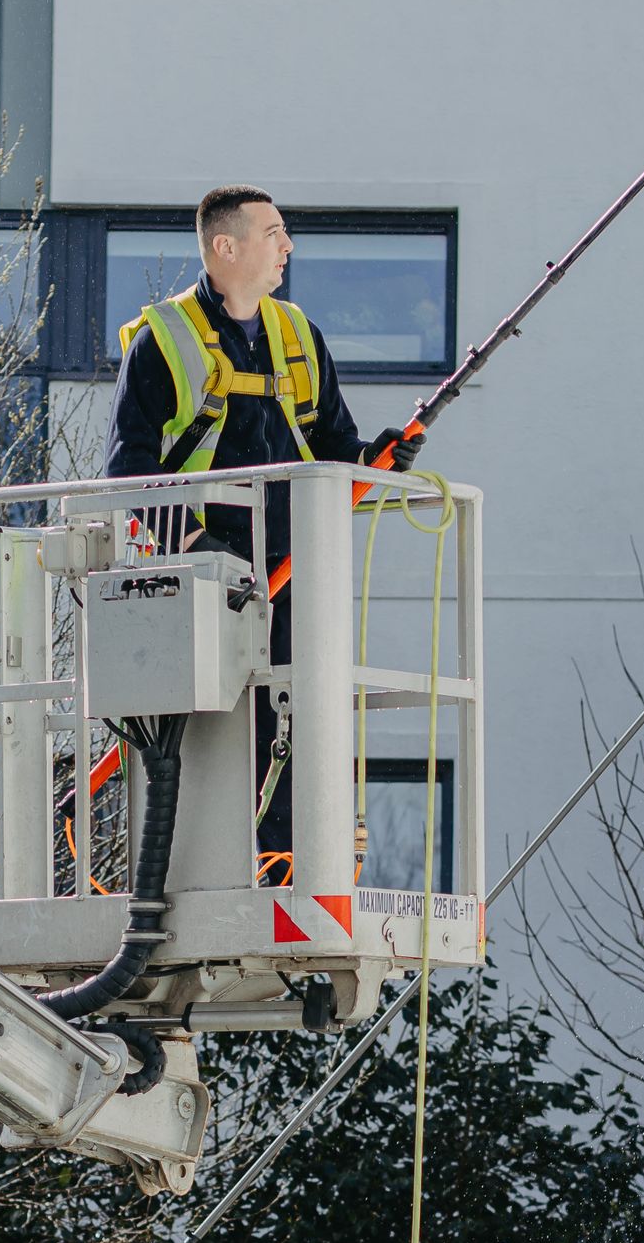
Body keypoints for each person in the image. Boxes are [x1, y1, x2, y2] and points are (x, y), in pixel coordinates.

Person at [105, 185, 421, 849]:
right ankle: (199, 856)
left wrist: (380, 458)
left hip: (289, 565)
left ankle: (285, 855)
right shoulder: (163, 340)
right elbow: (128, 472)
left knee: (294, 709)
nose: (288, 246)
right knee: (204, 724)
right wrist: (195, 541)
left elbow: (335, 447)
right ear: (227, 246)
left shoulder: (298, 334)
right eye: (274, 232)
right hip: (199, 573)